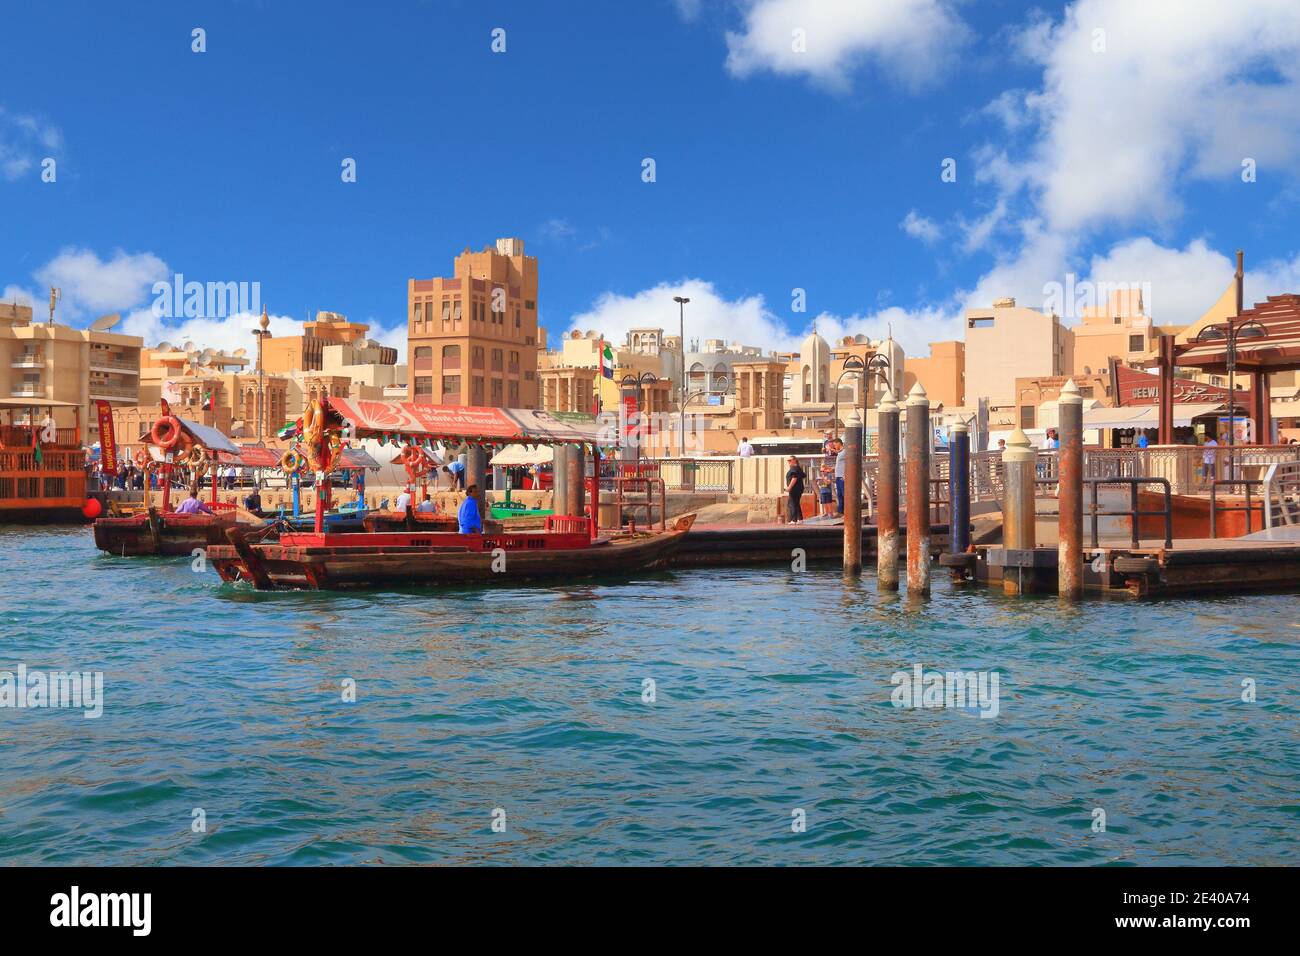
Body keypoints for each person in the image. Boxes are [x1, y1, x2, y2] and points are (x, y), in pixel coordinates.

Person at [784, 456, 806, 523]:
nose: (788, 462)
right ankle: (800, 519)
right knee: (796, 503)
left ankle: (793, 520)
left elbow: (794, 478)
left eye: (790, 460)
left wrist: (789, 487)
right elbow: (803, 475)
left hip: (794, 489)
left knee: (792, 503)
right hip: (799, 488)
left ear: (794, 460)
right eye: (788, 461)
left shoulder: (794, 468)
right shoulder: (798, 468)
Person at [834, 440, 847, 515]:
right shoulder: (840, 453)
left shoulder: (845, 452)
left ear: (839, 443)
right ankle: (840, 511)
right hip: (838, 476)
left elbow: (848, 463)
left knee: (843, 494)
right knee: (839, 494)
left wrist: (845, 474)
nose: (834, 446)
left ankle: (845, 511)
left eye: (835, 444)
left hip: (842, 476)